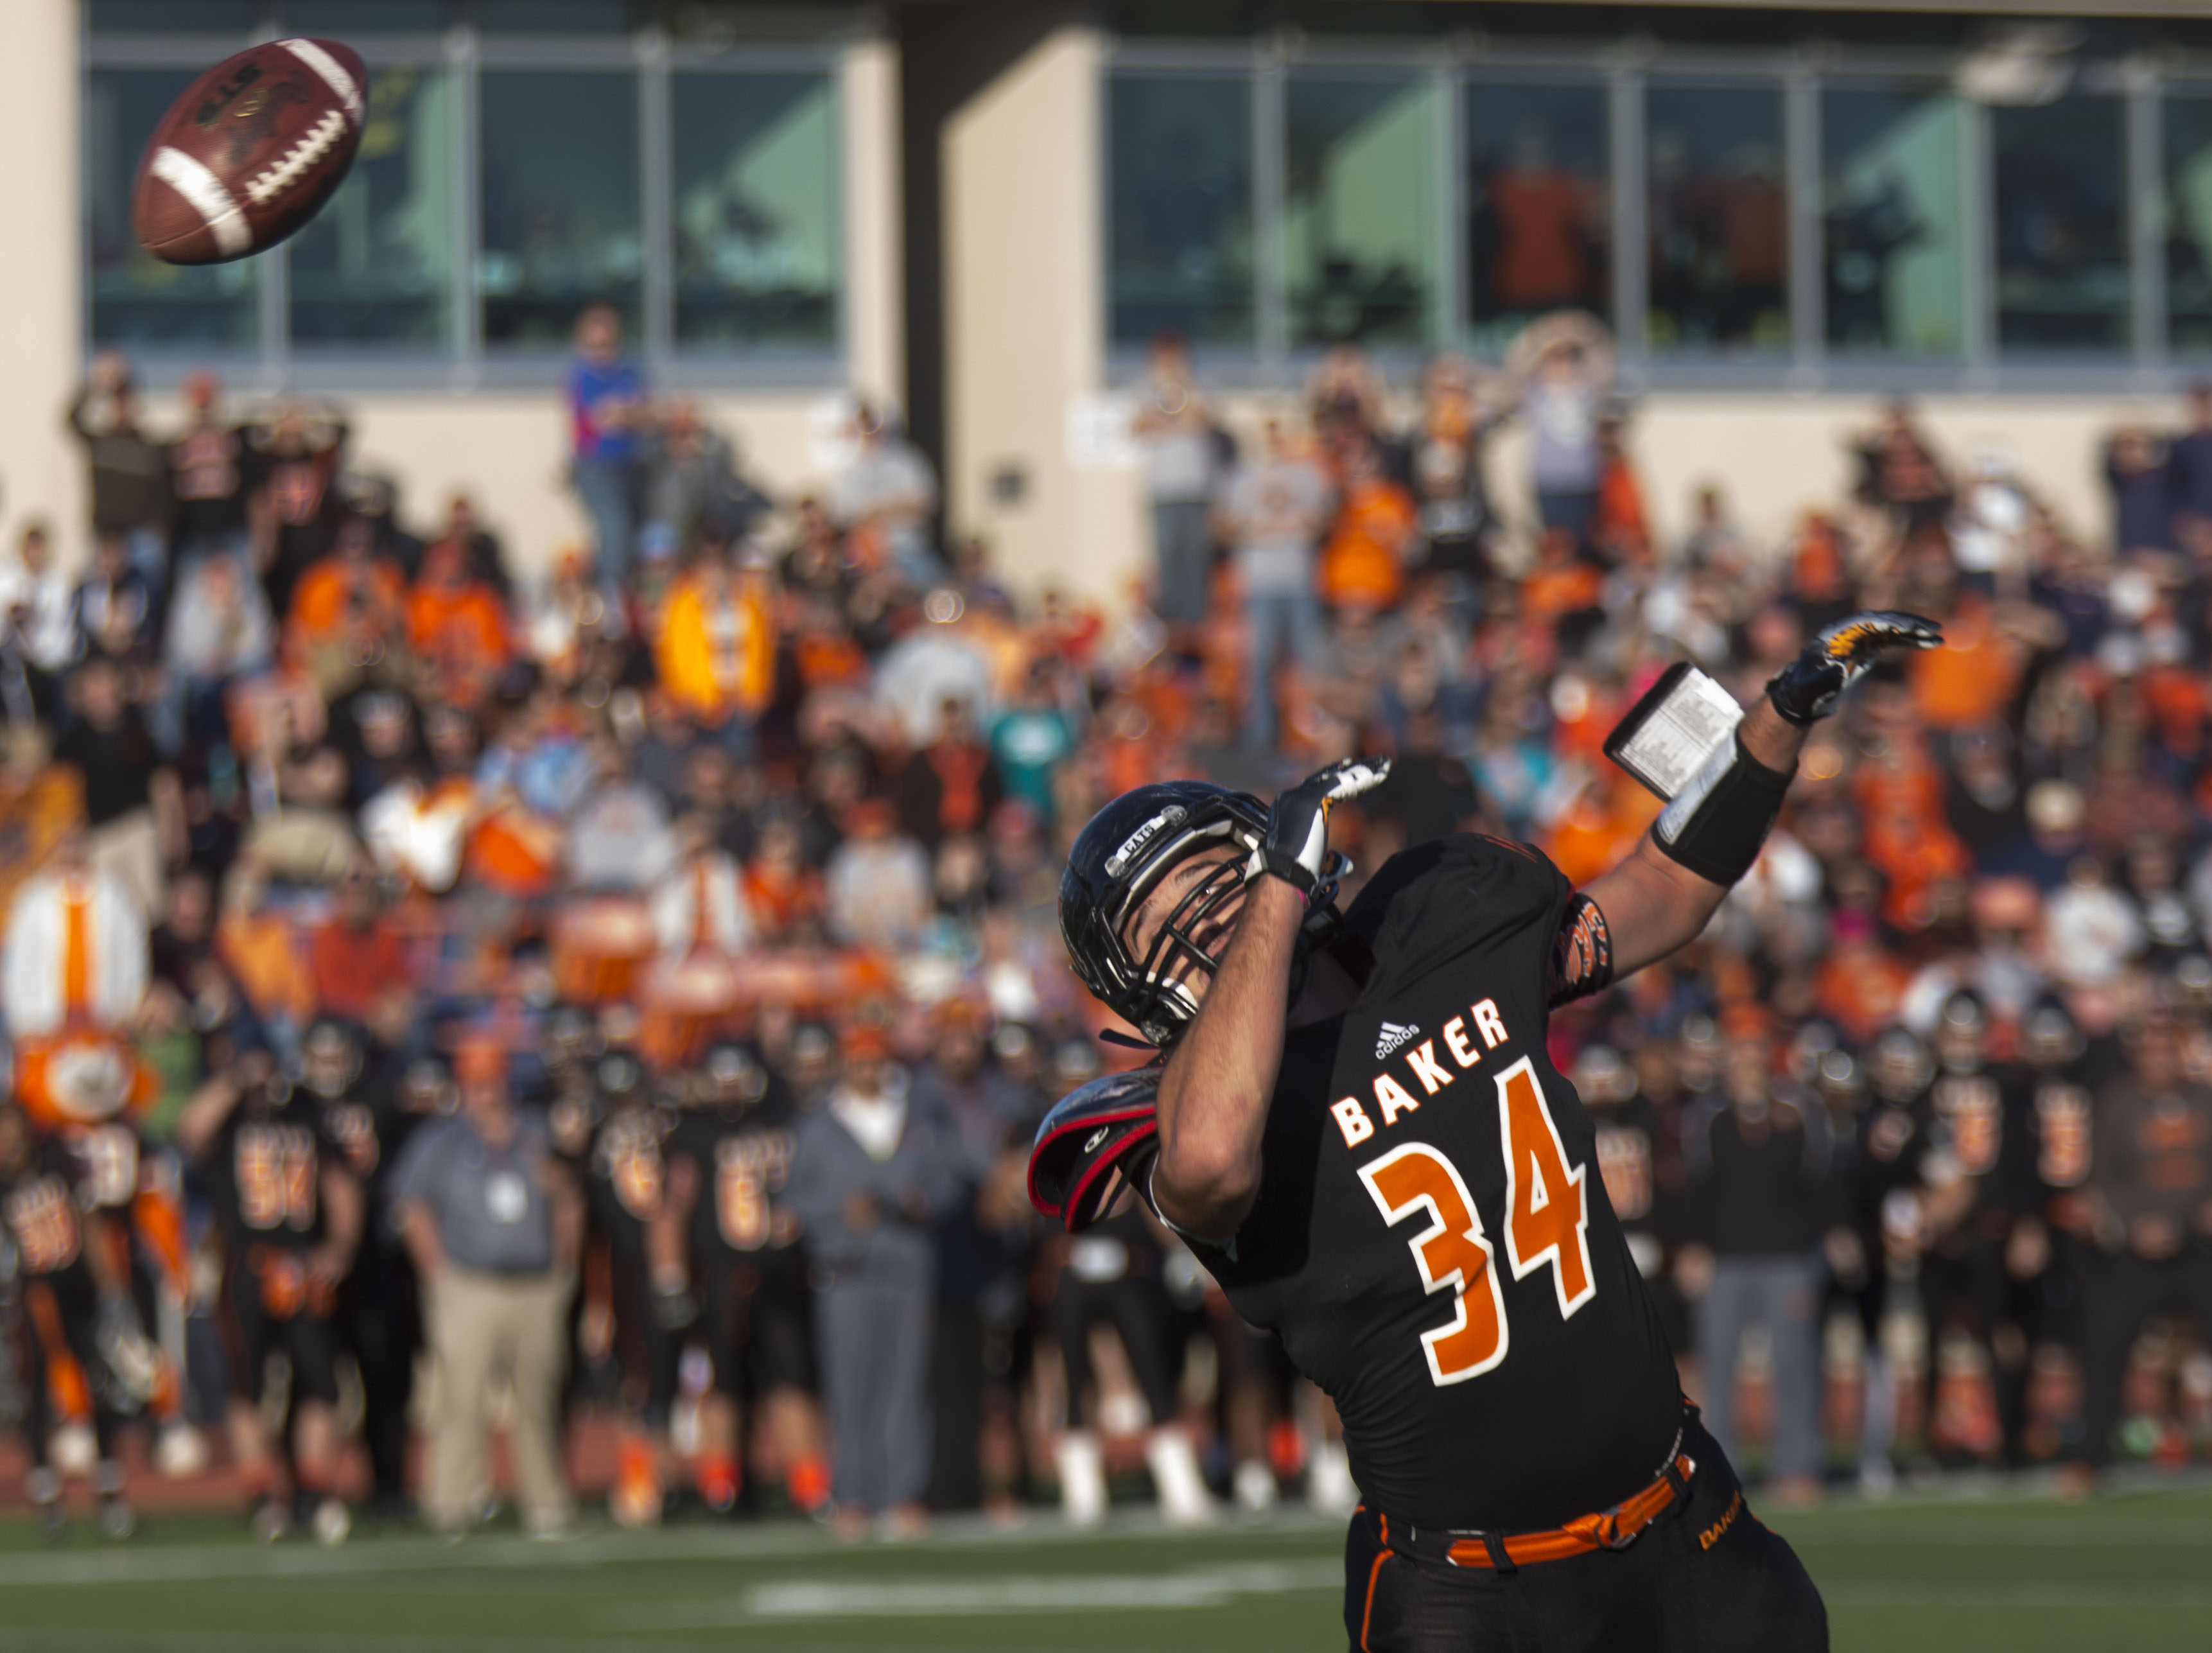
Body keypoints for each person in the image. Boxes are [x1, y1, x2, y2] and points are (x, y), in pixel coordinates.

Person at [1037, 609, 1942, 1651]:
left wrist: (1781, 717)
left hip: (1687, 1526)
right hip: (1472, 1592)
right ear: (1135, 990)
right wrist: (1272, 893)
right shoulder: (1170, 1116)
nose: (1213, 917)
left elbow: (1663, 890)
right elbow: (1210, 1158)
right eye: (1171, 923)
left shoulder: (1438, 918)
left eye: (1218, 880)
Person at [390, 1037, 581, 1538]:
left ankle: (545, 1500)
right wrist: (437, 1269)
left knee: (538, 1394)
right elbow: (411, 1205)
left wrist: (564, 1262)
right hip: (469, 1284)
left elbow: (568, 1195)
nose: (486, 1093)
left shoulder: (536, 1135)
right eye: (476, 1082)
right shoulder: (442, 1140)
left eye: (492, 1081)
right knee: (461, 1395)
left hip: (535, 1283)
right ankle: (452, 1499)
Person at [786, 1024, 962, 1539]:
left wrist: (919, 1201)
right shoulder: (818, 1126)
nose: (868, 1069)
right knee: (850, 1386)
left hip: (907, 1266)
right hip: (845, 1270)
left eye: (875, 1059)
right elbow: (794, 1202)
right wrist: (838, 1214)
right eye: (859, 1060)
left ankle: (903, 1492)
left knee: (905, 1385)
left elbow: (950, 1182)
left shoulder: (916, 1119)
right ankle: (853, 1493)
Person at [179, 1053, 363, 1545]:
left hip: (302, 1266)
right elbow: (191, 1129)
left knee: (321, 1384)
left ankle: (315, 1491)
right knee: (248, 1386)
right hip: (249, 1264)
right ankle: (264, 1495)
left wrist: (338, 1250)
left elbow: (341, 1186)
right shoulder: (230, 1117)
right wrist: (234, 1079)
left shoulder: (305, 1113)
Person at [657, 1041, 832, 1518]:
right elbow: (672, 1209)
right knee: (723, 1385)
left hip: (782, 1273)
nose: (731, 1086)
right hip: (722, 1274)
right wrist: (671, 1279)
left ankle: (810, 1487)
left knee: (793, 1380)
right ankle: (722, 1486)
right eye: (723, 1076)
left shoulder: (787, 1119)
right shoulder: (695, 1134)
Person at [2063, 1011, 2212, 1496]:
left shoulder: (2204, 1101)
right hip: (2133, 1251)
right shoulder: (2117, 1103)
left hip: (2197, 1246)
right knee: (2104, 1344)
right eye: (2149, 1049)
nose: (2158, 1058)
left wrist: (2194, 1217)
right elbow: (2098, 1179)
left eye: (2166, 1047)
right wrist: (2131, 1227)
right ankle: (2090, 1458)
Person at [0, 1099, 150, 1541]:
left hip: (76, 1286)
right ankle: (48, 1497)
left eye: (11, 1130)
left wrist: (110, 1291)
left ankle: (110, 1494)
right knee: (38, 1394)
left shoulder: (57, 1161)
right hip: (34, 1295)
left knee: (98, 1386)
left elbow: (90, 1224)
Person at [1217, 421, 1334, 752]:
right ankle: (1261, 741)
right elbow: (1222, 525)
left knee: (1309, 665)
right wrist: (1254, 529)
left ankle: (1311, 737)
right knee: (1261, 664)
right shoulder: (1242, 477)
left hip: (1300, 580)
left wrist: (1303, 525)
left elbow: (1324, 519)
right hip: (1260, 582)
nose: (1274, 439)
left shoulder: (1307, 476)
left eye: (1279, 431)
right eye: (1267, 432)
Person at [1131, 332, 1223, 629]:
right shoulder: (1143, 389)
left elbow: (1200, 419)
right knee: (1168, 559)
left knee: (1194, 560)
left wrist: (1173, 411)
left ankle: (1196, 622)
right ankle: (1172, 624)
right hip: (1162, 490)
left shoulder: (1199, 387)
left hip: (1195, 489)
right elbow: (1139, 427)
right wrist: (1171, 418)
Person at [566, 306, 648, 614]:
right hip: (597, 469)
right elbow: (597, 418)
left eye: (608, 344)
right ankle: (608, 609)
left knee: (634, 541)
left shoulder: (630, 373)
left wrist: (625, 413)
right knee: (613, 537)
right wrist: (625, 413)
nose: (603, 352)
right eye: (595, 345)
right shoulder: (580, 378)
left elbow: (642, 412)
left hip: (632, 468)